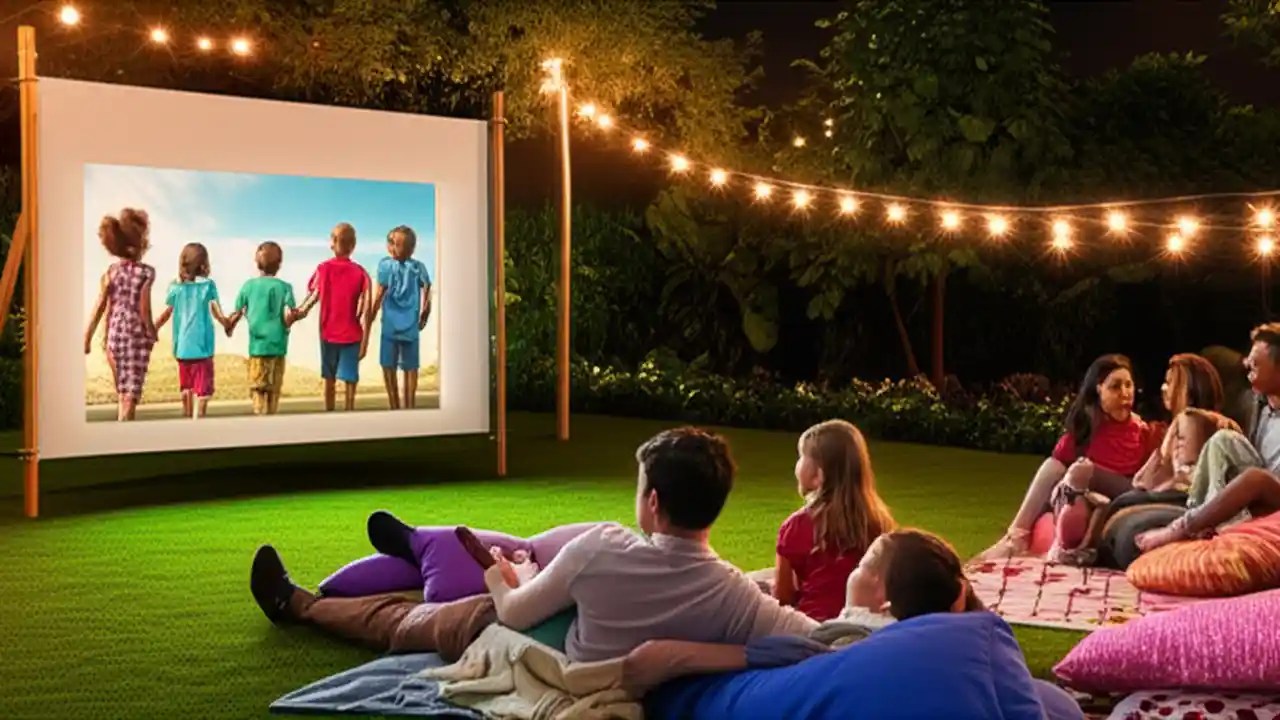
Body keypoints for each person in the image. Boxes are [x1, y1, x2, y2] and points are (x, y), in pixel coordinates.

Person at [248, 427, 819, 662]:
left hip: (525, 642)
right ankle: (414, 549)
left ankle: (298, 605)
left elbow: (515, 613)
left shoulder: (603, 547)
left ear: (653, 502)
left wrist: (500, 579)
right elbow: (822, 640)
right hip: (565, 613)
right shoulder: (733, 593)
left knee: (404, 619)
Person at [974, 354, 1164, 561]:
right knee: (1054, 467)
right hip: (1084, 498)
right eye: (1115, 387)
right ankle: (1016, 537)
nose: (1125, 393)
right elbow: (1059, 466)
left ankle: (1040, 541)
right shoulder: (1086, 429)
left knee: (1082, 470)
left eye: (1129, 385)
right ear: (1098, 389)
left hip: (1124, 495)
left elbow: (1145, 483)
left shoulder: (1143, 432)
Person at [1137, 324, 1280, 550]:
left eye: (1256, 363)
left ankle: (1184, 527)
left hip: (1272, 487)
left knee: (1256, 477)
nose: (1246, 364)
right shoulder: (1260, 408)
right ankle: (1206, 515)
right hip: (1262, 487)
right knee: (1223, 439)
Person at [774, 420, 896, 621]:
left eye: (801, 456)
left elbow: (782, 597)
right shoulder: (879, 522)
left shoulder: (796, 526)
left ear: (818, 474)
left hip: (813, 626)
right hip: (862, 622)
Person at [84, 209, 157, 422]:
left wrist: (88, 337)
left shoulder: (111, 272)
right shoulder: (146, 272)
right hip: (135, 337)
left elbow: (101, 306)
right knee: (130, 396)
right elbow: (144, 309)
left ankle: (120, 427)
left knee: (121, 392)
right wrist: (151, 333)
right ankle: (125, 431)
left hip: (114, 338)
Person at [294, 223, 371, 412]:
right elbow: (367, 310)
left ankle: (329, 414)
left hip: (328, 334)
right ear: (353, 245)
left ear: (332, 243)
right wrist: (365, 341)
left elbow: (313, 296)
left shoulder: (323, 269)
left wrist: (298, 313)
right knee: (350, 379)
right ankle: (349, 412)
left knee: (329, 379)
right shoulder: (361, 273)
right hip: (352, 335)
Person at [154, 243, 232, 420]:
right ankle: (200, 419)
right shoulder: (208, 286)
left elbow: (167, 312)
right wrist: (227, 323)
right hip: (202, 348)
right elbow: (216, 311)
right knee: (203, 389)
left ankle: (187, 418)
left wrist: (154, 328)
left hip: (182, 348)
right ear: (204, 266)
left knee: (186, 386)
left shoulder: (175, 287)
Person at [227, 242, 298, 416]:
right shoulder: (285, 287)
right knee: (274, 388)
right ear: (279, 264)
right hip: (278, 347)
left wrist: (229, 326)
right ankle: (271, 415)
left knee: (258, 387)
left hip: (257, 348)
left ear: (256, 263)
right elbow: (288, 314)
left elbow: (237, 312)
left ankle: (259, 414)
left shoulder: (248, 286)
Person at [365, 225, 432, 410]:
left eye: (396, 244)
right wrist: (425, 311)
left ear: (410, 248)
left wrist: (371, 315)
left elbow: (380, 293)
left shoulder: (388, 265)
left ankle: (401, 405)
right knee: (405, 366)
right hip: (404, 325)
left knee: (395, 366)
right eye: (391, 243)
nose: (392, 247)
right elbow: (427, 288)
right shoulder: (416, 267)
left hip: (395, 326)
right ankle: (403, 405)